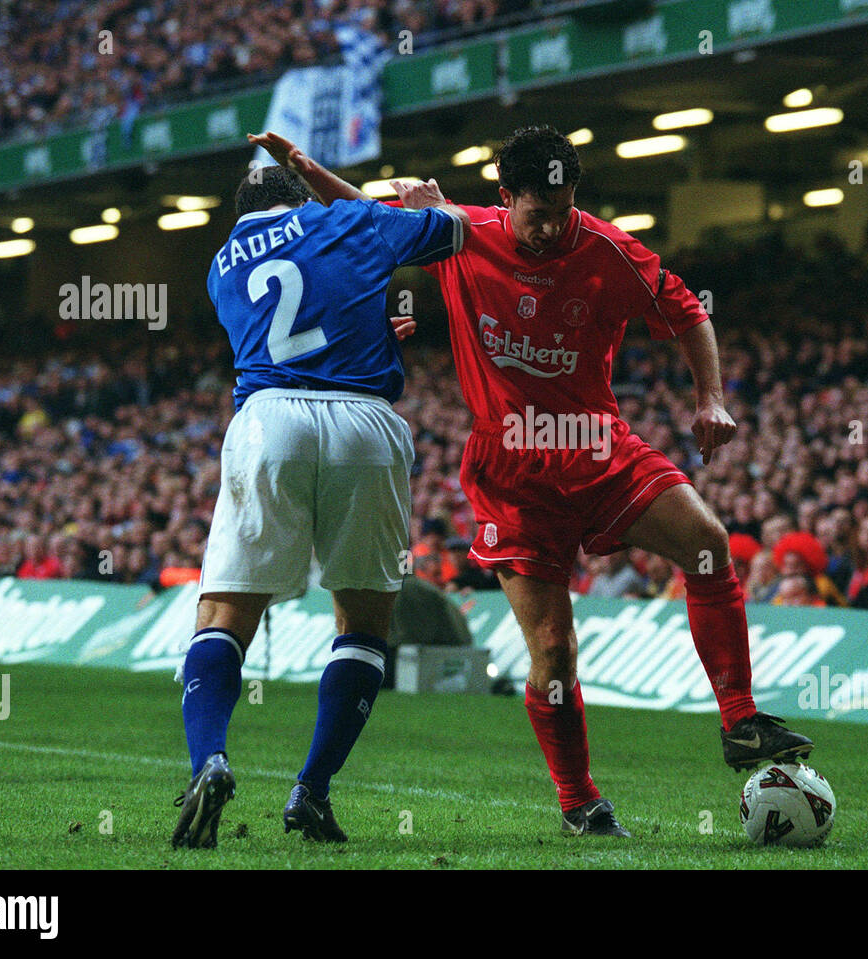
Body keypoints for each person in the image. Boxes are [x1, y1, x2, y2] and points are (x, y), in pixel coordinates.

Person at [252, 124, 813, 838]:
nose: (552, 226)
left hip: (597, 447)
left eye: (564, 208)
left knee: (707, 540)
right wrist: (304, 166)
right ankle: (579, 799)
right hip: (511, 473)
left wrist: (711, 397)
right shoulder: (458, 234)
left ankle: (739, 720)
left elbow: (687, 311)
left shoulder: (608, 248)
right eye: (537, 211)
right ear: (504, 194)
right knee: (554, 648)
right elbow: (363, 211)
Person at [170, 149, 470, 849]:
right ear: (303, 195)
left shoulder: (222, 265)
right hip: (364, 423)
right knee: (364, 621)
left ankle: (208, 760)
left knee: (224, 612)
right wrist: (428, 201)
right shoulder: (352, 220)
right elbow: (454, 233)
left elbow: (294, 321)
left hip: (271, 418)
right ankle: (312, 789)